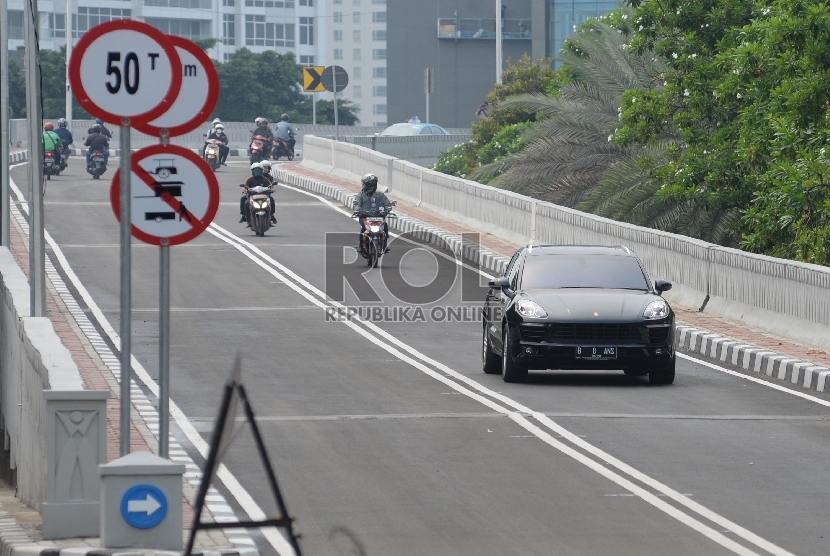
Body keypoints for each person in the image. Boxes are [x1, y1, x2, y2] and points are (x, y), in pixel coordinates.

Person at [353, 173, 392, 252]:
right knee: (363, 228)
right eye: (370, 184)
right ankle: (361, 245)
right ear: (364, 184)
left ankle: (384, 245)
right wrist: (358, 210)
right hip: (365, 217)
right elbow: (356, 204)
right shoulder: (360, 195)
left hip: (378, 216)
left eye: (373, 184)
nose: (372, 186)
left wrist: (387, 209)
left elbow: (387, 204)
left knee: (385, 227)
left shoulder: (380, 195)